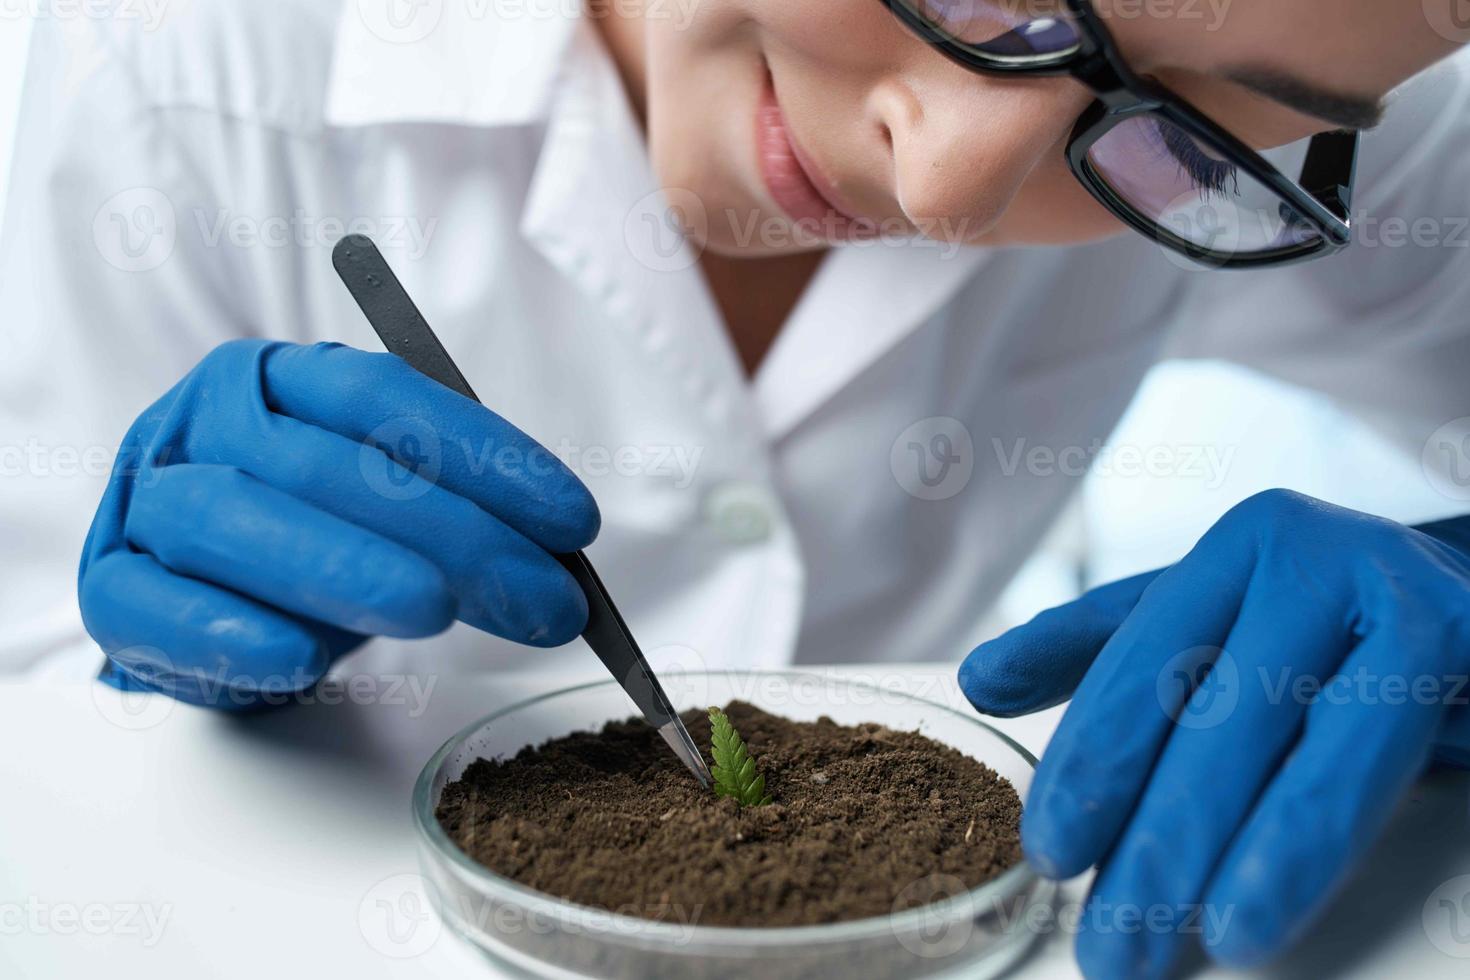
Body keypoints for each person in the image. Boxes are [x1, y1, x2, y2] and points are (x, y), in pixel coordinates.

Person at [2, 0, 1468, 974]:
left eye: (1192, 127)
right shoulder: (150, 64)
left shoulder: (1335, 70)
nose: (947, 187)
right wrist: (137, 677)